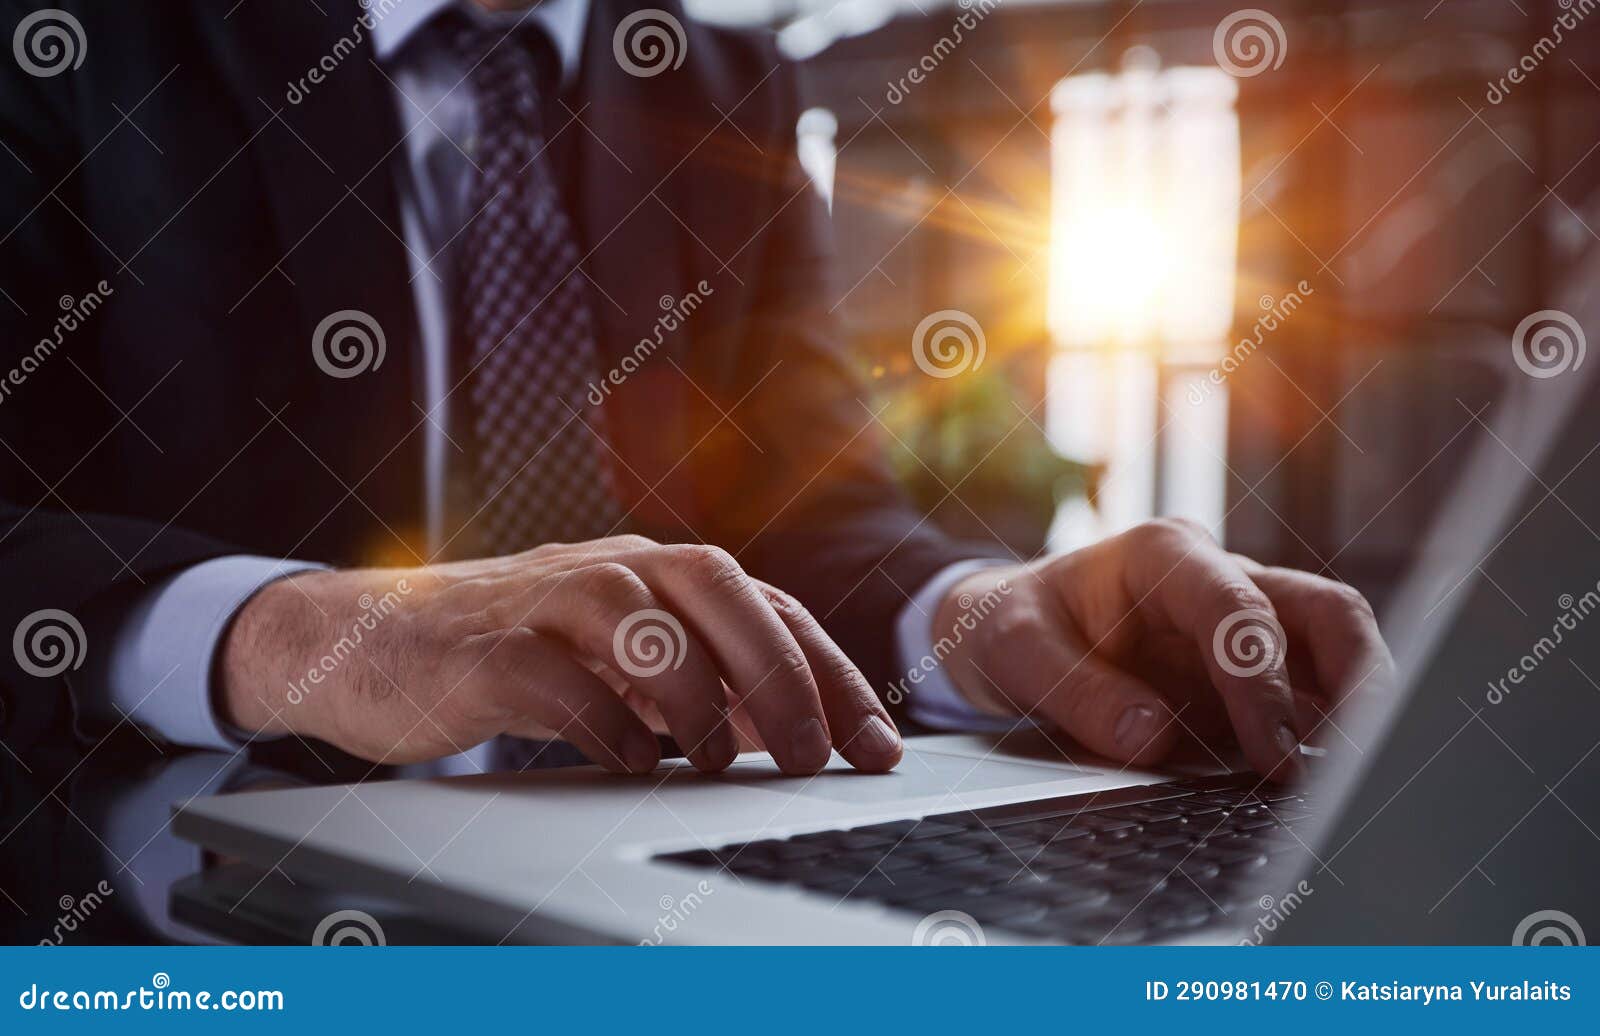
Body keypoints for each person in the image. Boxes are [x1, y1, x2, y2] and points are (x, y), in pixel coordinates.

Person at [0, 0, 1392, 781]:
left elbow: (810, 511)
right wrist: (303, 632)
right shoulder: (77, 41)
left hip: (656, 849)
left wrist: (974, 616)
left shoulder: (727, 83)